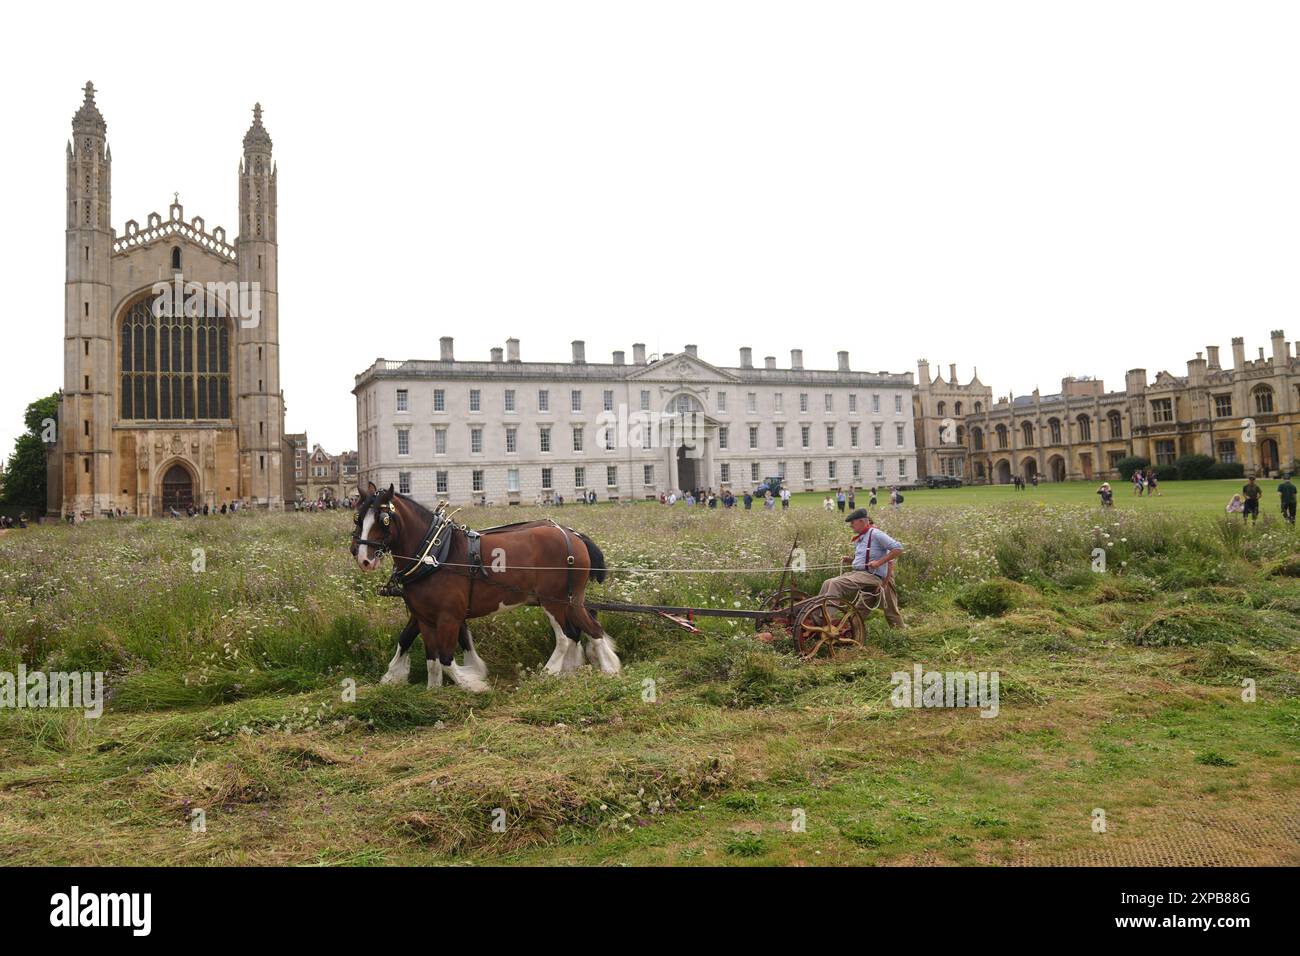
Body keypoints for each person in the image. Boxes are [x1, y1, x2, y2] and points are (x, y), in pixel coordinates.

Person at [817, 508, 904, 628]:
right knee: (828, 582)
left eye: (853, 523)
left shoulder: (876, 534)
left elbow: (898, 548)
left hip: (874, 576)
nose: (851, 526)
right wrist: (851, 560)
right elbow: (865, 560)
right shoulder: (862, 538)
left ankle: (825, 619)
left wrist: (879, 564)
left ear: (863, 522)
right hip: (861, 574)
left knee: (836, 583)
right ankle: (817, 615)